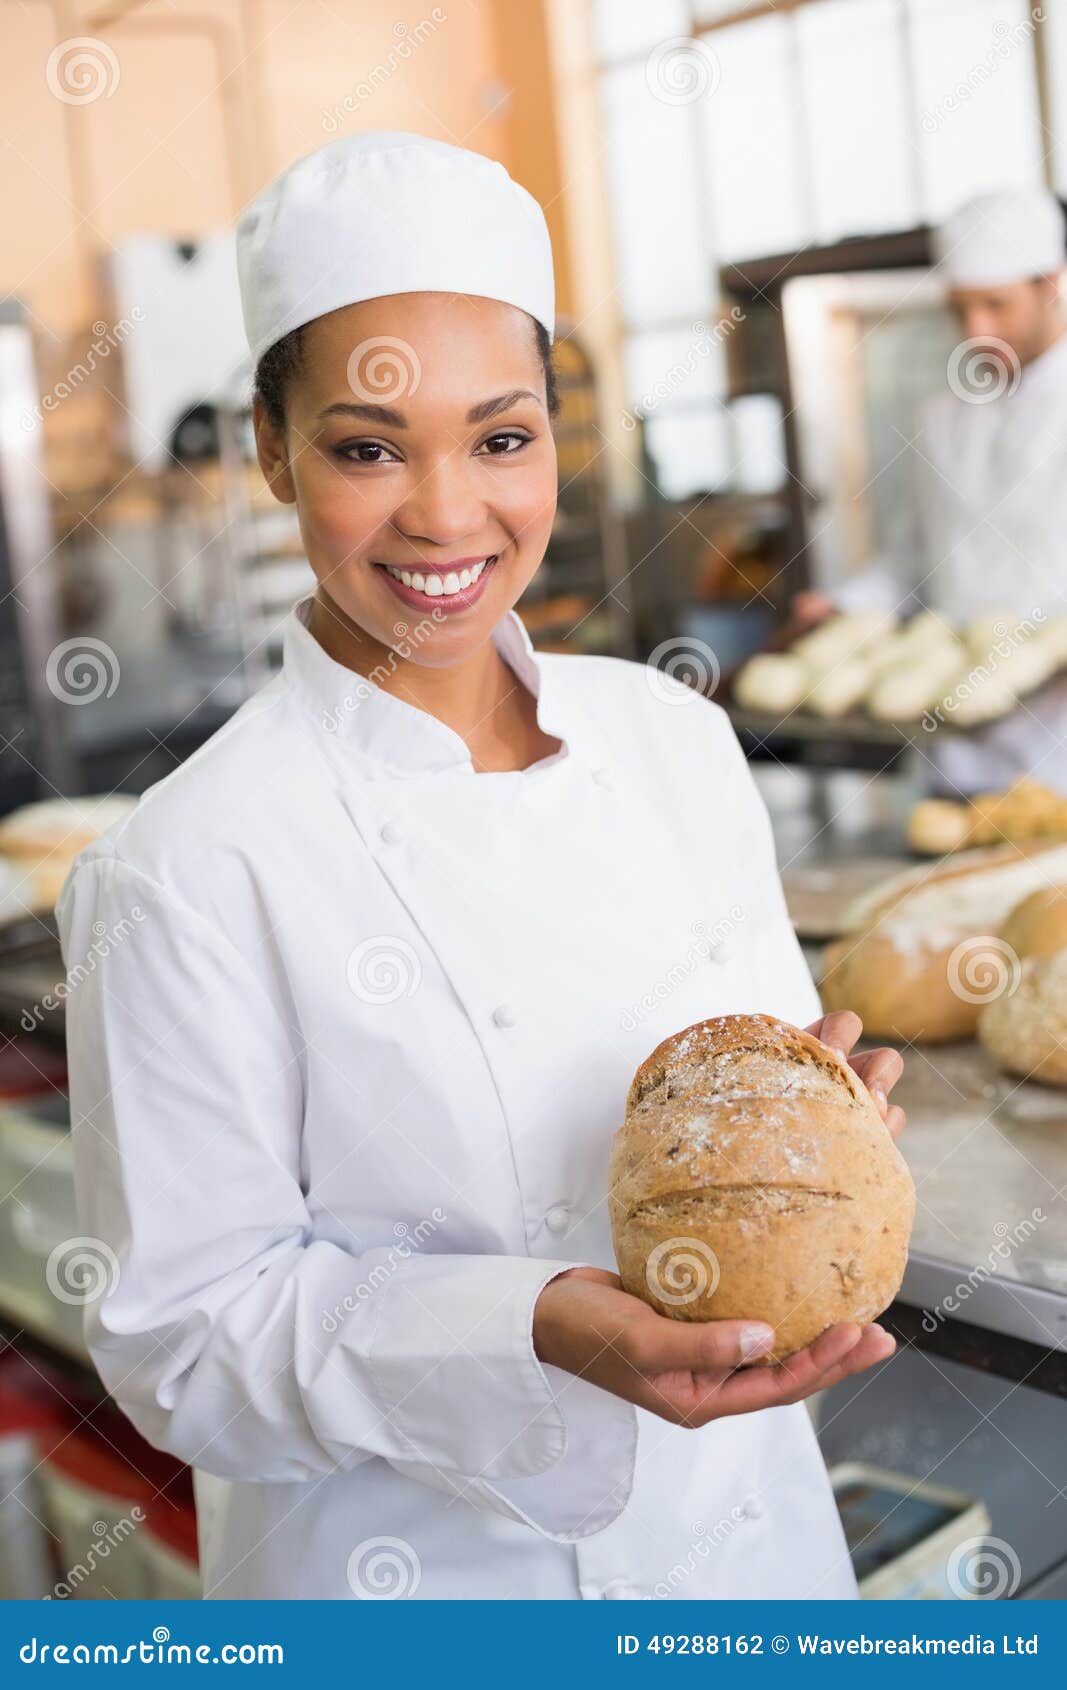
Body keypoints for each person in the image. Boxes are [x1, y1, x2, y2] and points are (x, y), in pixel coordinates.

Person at [56, 131, 906, 1602]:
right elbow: (183, 1345)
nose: (448, 514)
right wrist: (533, 1323)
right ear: (270, 447)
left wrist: (810, 1116)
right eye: (367, 446)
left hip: (755, 1562)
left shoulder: (671, 742)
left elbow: (747, 1076)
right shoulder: (184, 867)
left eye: (500, 437)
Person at [792, 186, 1067, 793]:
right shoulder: (940, 418)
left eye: (996, 305)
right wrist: (845, 604)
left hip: (1058, 751)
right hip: (951, 747)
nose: (976, 330)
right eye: (960, 309)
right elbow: (912, 562)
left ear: (1050, 284)